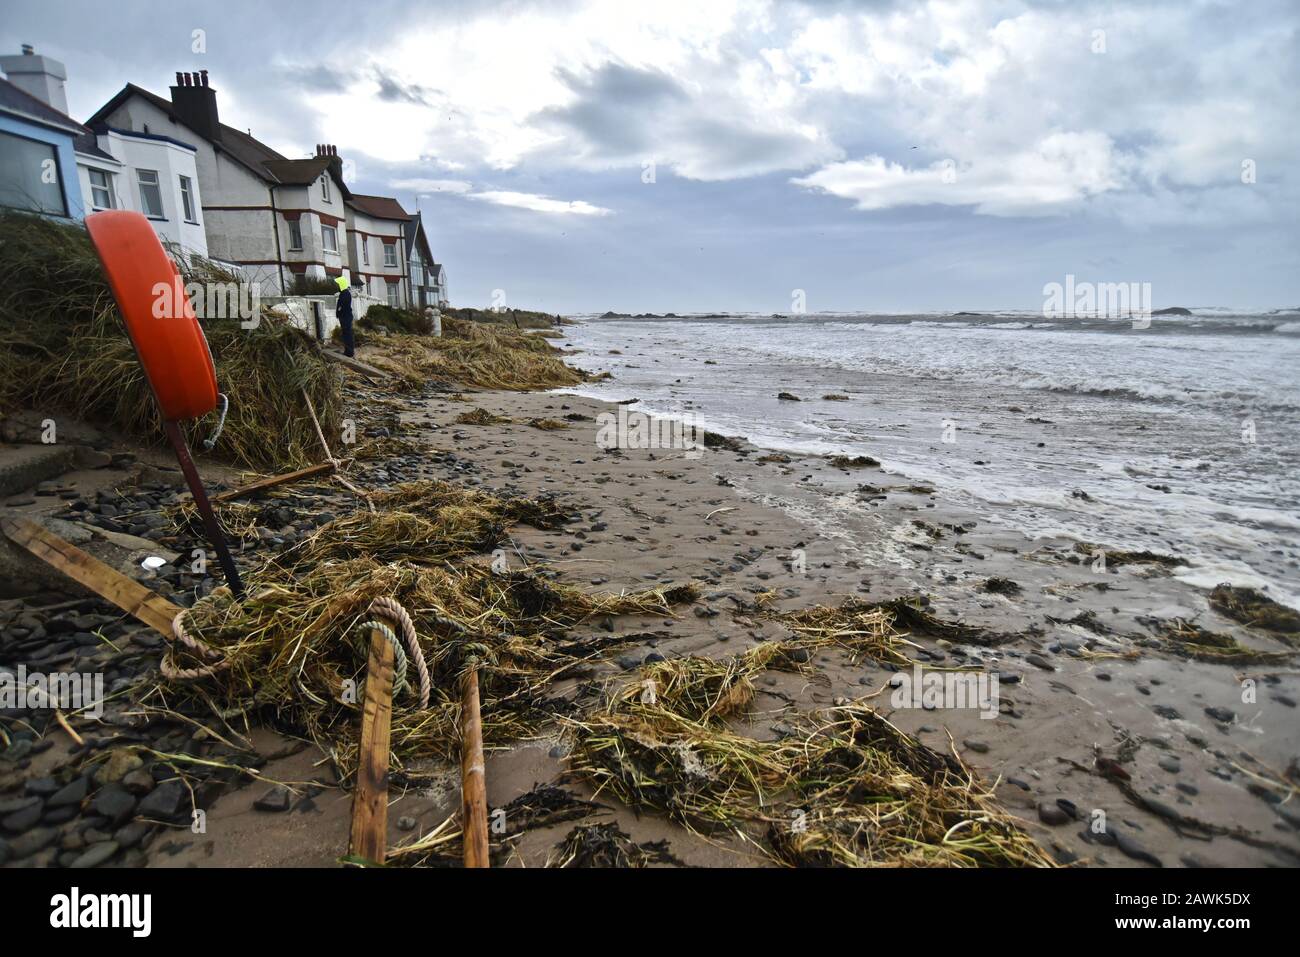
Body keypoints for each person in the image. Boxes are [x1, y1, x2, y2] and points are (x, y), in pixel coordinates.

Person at [335, 275, 354, 357]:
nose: (337, 286)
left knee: (347, 334)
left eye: (338, 285)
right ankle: (348, 350)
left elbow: (341, 305)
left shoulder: (345, 294)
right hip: (346, 316)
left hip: (346, 317)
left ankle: (349, 352)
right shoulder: (344, 293)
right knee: (346, 334)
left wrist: (338, 312)